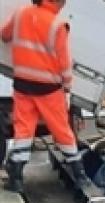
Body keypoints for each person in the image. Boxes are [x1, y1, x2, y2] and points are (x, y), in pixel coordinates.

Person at [1, 0, 85, 193]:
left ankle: (16, 178)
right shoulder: (58, 25)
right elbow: (65, 62)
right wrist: (67, 88)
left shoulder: (21, 13)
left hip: (23, 83)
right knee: (62, 131)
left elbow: (5, 35)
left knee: (23, 130)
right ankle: (79, 175)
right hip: (49, 87)